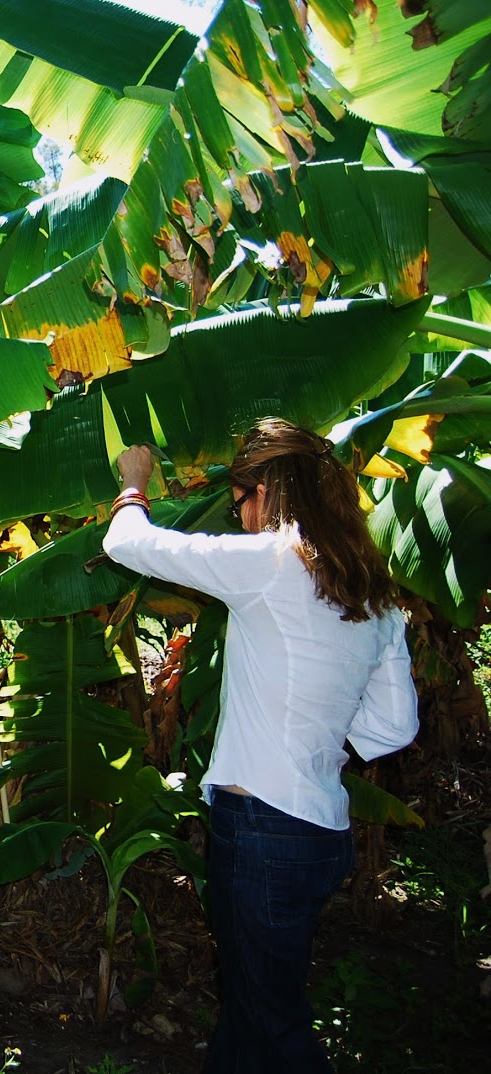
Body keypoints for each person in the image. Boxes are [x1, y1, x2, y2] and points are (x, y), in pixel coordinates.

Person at [103, 419, 418, 1074]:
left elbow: (128, 543)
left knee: (274, 1025)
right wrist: (312, 743)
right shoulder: (373, 596)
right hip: (319, 835)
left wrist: (133, 483)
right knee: (250, 1010)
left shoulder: (272, 562)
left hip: (263, 833)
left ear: (268, 491)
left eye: (241, 497)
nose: (239, 513)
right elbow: (394, 728)